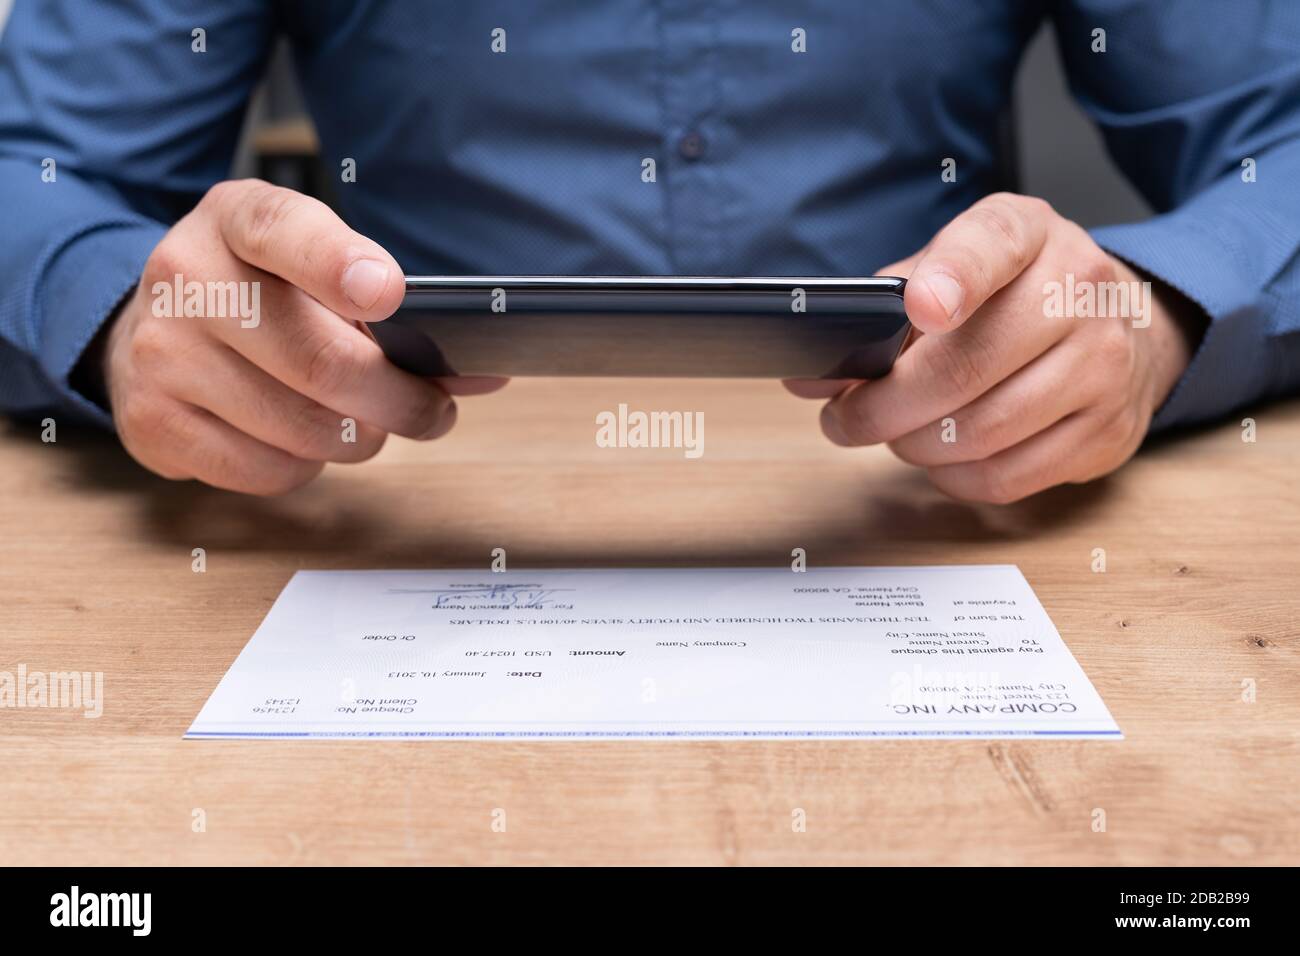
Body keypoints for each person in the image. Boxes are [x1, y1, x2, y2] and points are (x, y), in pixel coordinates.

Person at [2, 2, 1298, 502]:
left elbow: (1280, 142)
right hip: (383, 510)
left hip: (951, 503)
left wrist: (1157, 308)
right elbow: (34, 168)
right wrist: (121, 315)